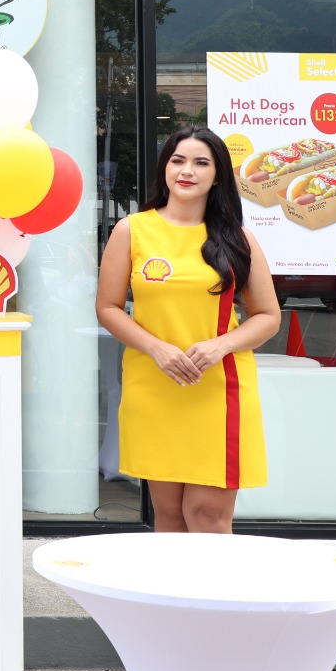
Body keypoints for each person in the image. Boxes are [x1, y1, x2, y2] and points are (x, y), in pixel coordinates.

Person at [95, 125, 281, 533]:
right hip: (154, 386)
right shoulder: (133, 230)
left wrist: (220, 346)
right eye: (178, 160)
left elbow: (269, 316)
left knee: (208, 515)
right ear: (165, 167)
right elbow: (107, 308)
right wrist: (158, 349)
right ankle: (173, 599)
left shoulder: (238, 238)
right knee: (171, 516)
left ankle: (217, 599)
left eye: (201, 162)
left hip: (219, 388)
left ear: (218, 175)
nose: (187, 171)